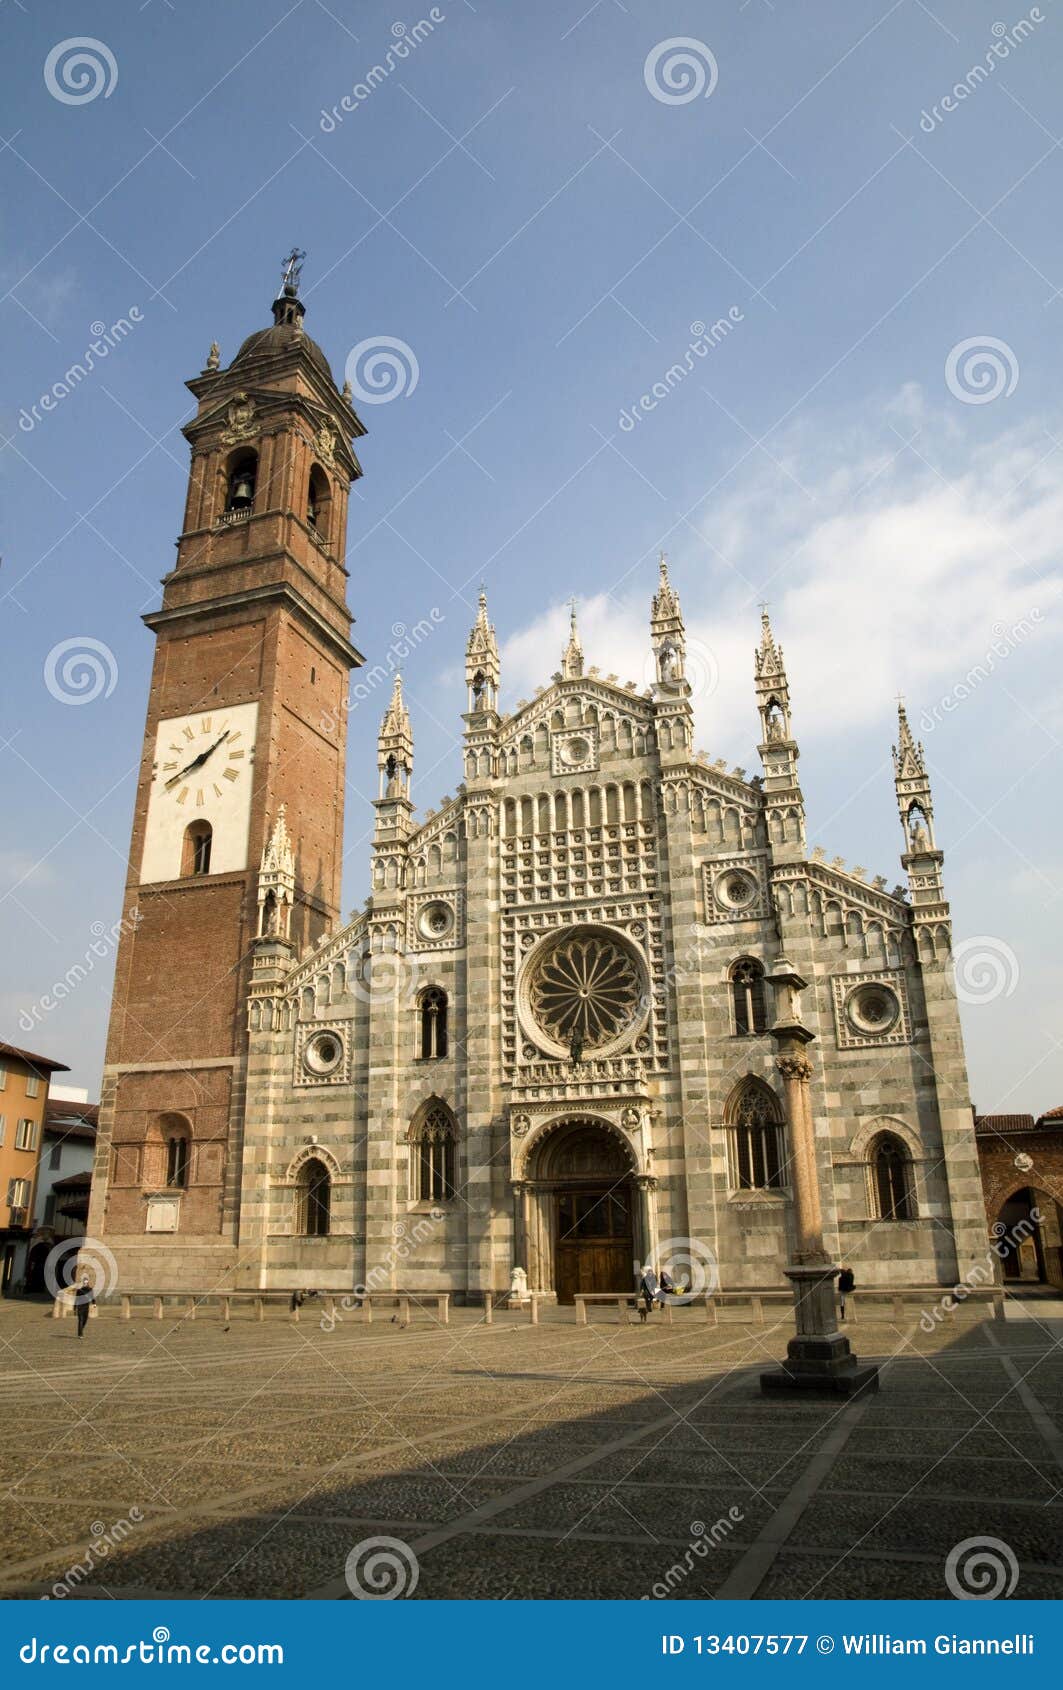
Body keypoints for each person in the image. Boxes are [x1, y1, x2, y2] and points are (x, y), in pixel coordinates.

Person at [73, 1274, 95, 1339]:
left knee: (85, 1320)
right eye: (84, 1282)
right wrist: (74, 1308)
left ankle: (80, 1330)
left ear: (88, 1283)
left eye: (86, 1282)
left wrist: (94, 1303)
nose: (85, 1283)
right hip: (80, 1306)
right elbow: (76, 1299)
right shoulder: (79, 1290)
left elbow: (92, 1297)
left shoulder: (90, 1289)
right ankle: (80, 1334)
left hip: (86, 1306)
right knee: (80, 1320)